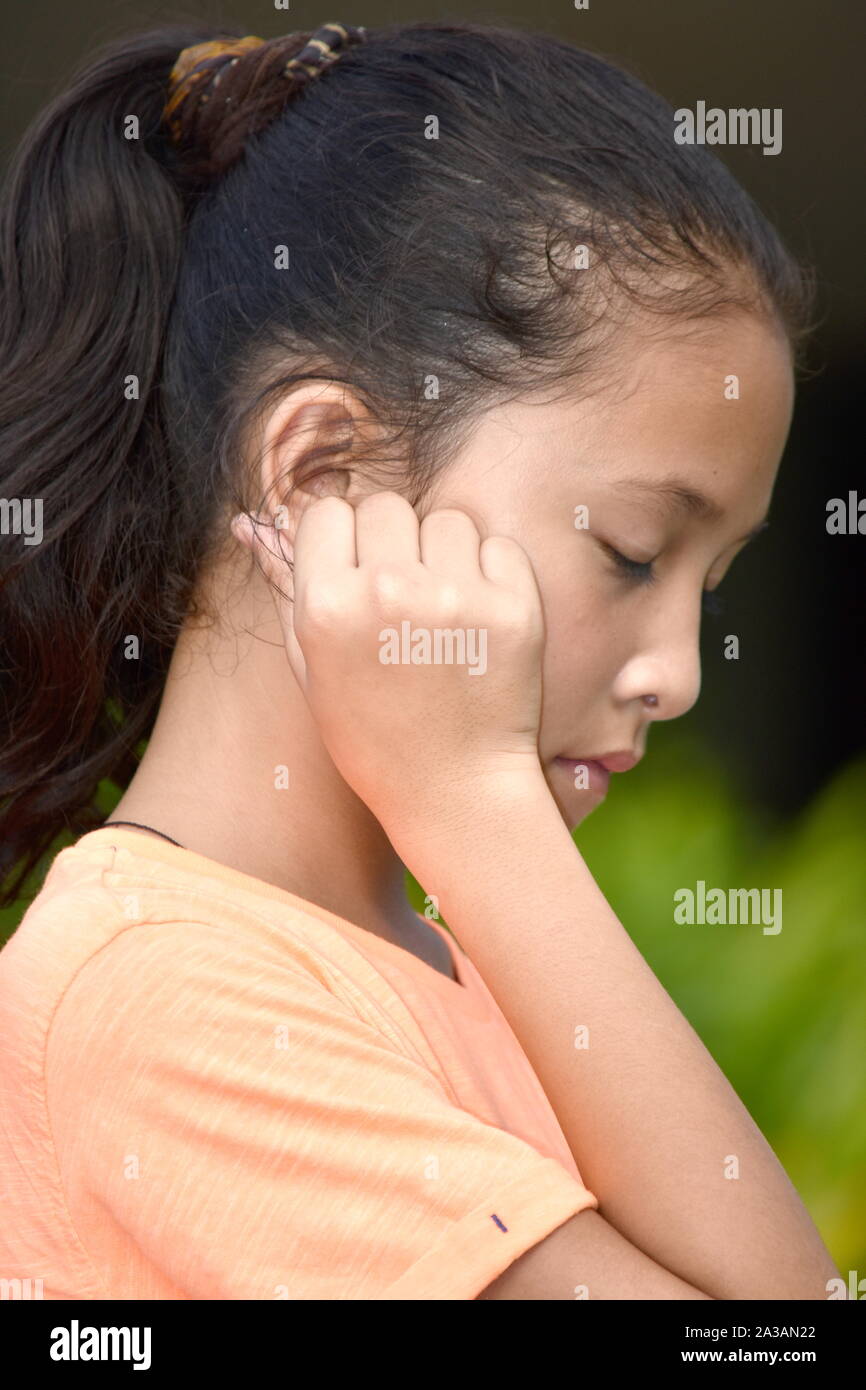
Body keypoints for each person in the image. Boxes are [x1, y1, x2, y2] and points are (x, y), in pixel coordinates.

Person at [0, 19, 839, 1299]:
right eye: (628, 552)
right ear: (322, 470)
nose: (675, 673)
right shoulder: (159, 997)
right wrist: (469, 798)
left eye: (710, 586)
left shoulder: (453, 955)